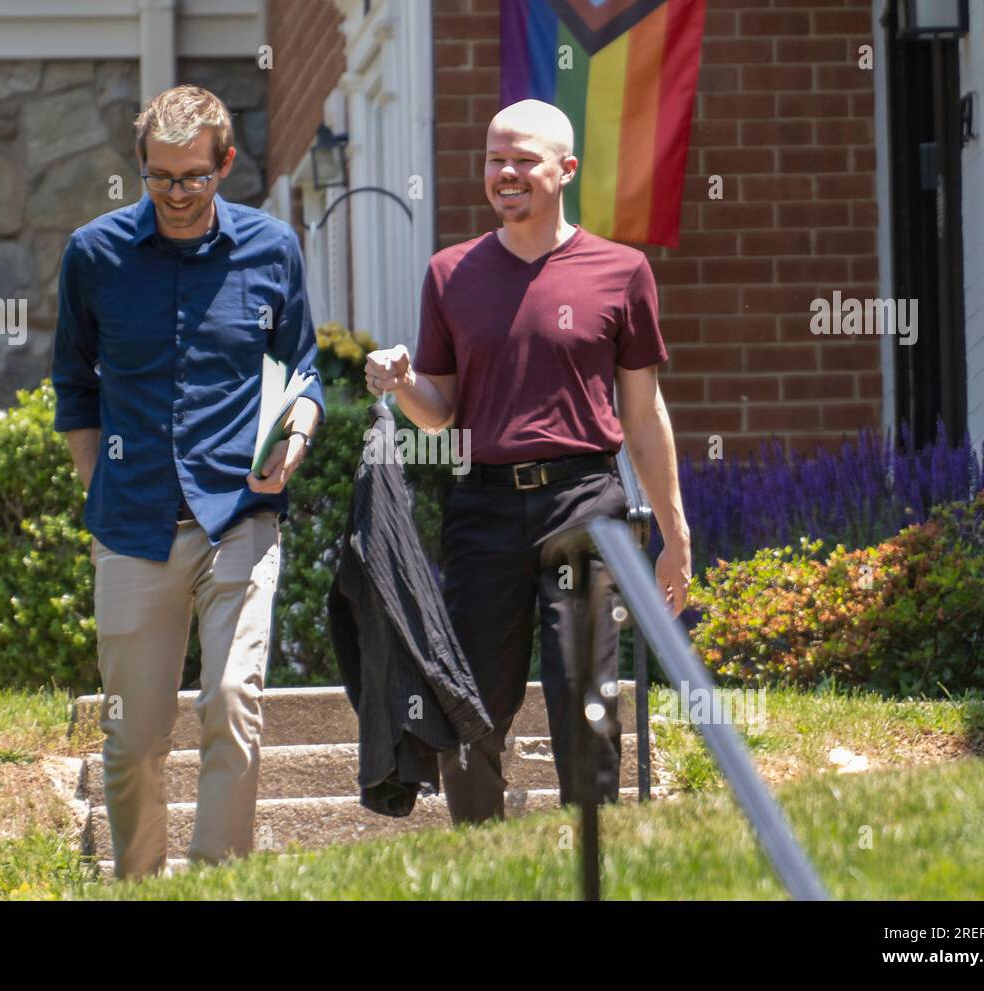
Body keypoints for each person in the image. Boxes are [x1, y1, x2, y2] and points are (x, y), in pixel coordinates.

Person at [364, 99, 691, 824]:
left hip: (584, 502)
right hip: (481, 504)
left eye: (524, 160)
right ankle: (483, 855)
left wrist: (674, 528)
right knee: (472, 695)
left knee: (584, 689)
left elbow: (643, 414)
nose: (506, 173)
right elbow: (440, 408)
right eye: (494, 159)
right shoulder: (450, 273)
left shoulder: (622, 271)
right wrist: (400, 377)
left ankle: (593, 857)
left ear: (566, 169)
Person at [51, 85, 325, 879]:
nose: (176, 194)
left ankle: (215, 885)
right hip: (132, 525)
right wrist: (94, 481)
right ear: (140, 166)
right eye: (159, 177)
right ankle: (139, 887)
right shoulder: (94, 255)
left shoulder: (271, 249)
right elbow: (75, 383)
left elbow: (301, 367)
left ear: (225, 165)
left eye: (193, 178)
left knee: (233, 702)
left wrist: (299, 433)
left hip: (239, 514)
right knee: (134, 736)